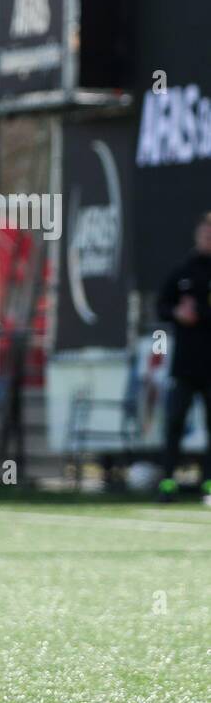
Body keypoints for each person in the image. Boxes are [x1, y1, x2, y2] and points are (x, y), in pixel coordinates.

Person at [155, 214, 211, 504]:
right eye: (205, 232)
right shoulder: (182, 272)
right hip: (185, 365)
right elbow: (161, 306)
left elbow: (201, 312)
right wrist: (177, 313)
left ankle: (208, 485)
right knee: (174, 422)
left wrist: (197, 313)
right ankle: (167, 483)